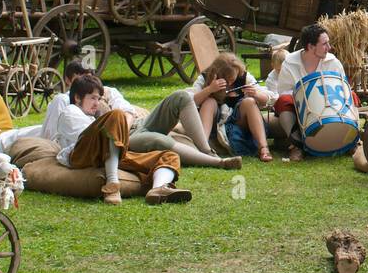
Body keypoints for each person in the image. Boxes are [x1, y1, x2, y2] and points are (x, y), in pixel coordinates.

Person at [46, 61, 236, 169]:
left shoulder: (107, 91)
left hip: (135, 125)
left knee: (180, 96)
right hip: (121, 139)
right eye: (92, 97)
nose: (96, 101)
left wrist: (125, 122)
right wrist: (119, 128)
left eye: (98, 96)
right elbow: (69, 136)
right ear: (75, 90)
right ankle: (217, 162)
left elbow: (127, 110)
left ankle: (206, 150)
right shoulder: (67, 106)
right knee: (159, 140)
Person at [55, 74, 191, 205]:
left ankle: (158, 190)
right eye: (93, 98)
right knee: (117, 115)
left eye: (98, 99)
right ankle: (112, 185)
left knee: (169, 156)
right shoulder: (70, 111)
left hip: (105, 155)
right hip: (81, 155)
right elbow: (86, 140)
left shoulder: (90, 117)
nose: (96, 104)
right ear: (78, 98)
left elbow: (106, 139)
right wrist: (111, 124)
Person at [268, 23, 348, 161]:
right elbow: (284, 91)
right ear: (310, 47)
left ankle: (350, 139)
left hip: (330, 106)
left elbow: (343, 87)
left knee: (351, 96)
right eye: (324, 44)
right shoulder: (290, 62)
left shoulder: (332, 61)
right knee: (283, 101)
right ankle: (296, 145)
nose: (329, 48)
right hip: (300, 109)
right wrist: (307, 98)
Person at [191, 52, 274, 162]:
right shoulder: (205, 77)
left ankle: (263, 148)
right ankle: (203, 147)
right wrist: (210, 89)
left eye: (232, 78)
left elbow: (267, 99)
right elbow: (190, 102)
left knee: (249, 102)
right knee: (209, 102)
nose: (230, 82)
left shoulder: (244, 76)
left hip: (238, 122)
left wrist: (256, 94)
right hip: (215, 123)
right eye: (227, 79)